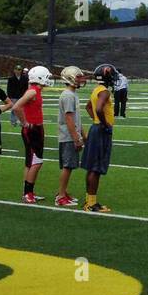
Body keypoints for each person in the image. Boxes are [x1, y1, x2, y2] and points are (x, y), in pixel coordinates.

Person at [10, 65, 52, 203]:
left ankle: (27, 192)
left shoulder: (35, 91)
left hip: (36, 129)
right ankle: (28, 193)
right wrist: (25, 122)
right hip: (32, 130)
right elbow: (16, 107)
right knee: (36, 162)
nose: (48, 79)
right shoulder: (32, 92)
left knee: (30, 162)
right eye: (46, 76)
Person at [81, 64, 118, 212]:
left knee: (91, 168)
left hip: (95, 128)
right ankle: (91, 204)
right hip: (101, 131)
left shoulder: (96, 89)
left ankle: (89, 200)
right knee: (96, 168)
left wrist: (96, 120)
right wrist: (105, 124)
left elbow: (88, 107)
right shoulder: (104, 92)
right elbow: (96, 108)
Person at [54, 65, 86, 206]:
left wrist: (83, 135)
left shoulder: (71, 94)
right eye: (78, 77)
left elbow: (76, 119)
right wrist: (76, 138)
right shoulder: (68, 95)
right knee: (68, 166)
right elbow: (69, 119)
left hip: (70, 135)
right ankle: (60, 196)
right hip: (68, 137)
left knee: (70, 166)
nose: (81, 80)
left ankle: (63, 192)